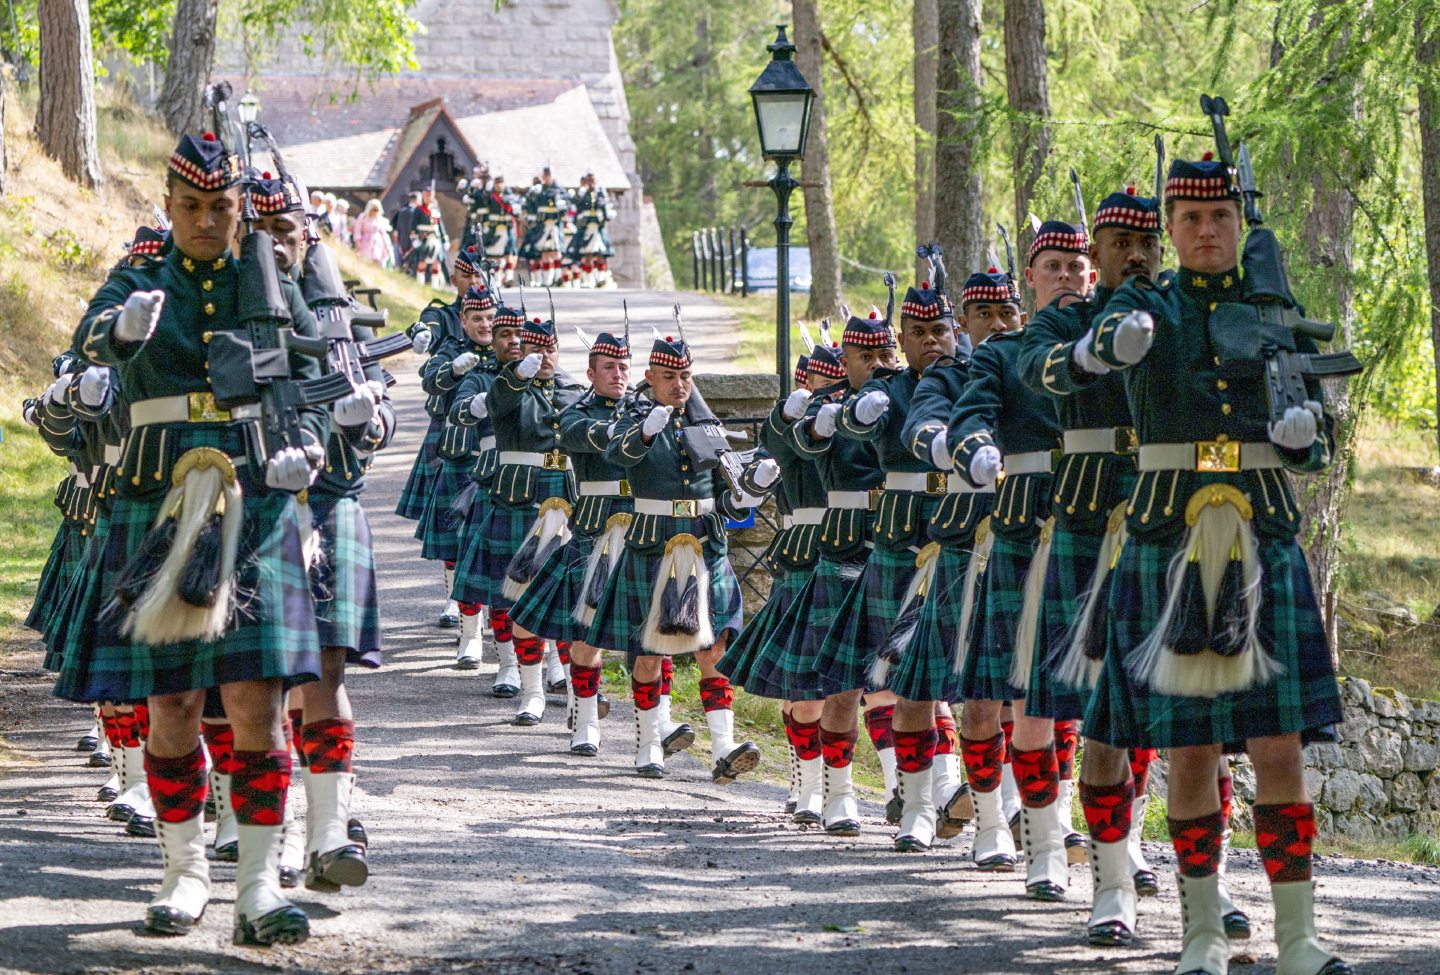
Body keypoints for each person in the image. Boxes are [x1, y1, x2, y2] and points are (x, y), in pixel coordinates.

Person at [59, 129, 345, 945]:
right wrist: (119, 336)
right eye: (190, 207)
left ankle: (258, 885)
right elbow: (85, 345)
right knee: (173, 703)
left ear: (238, 208)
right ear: (169, 205)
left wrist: (311, 444)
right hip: (157, 504)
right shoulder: (139, 275)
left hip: (255, 506)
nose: (205, 222)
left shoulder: (269, 279)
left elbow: (313, 372)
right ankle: (182, 871)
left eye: (220, 208)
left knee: (258, 700)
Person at [1076, 152, 1350, 975]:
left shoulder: (1275, 306)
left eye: (1219, 217)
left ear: (1239, 224)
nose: (1205, 231)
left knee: (1279, 746)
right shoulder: (1144, 305)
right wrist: (1106, 346)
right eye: (1189, 219)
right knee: (1189, 749)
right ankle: (1200, 933)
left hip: (1261, 534)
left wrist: (1305, 436)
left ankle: (1298, 937)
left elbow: (1319, 435)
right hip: (1168, 542)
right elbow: (1083, 354)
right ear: (1170, 229)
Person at [250, 169, 392, 894]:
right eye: (265, 229)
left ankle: (330, 830)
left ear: (308, 231)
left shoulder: (334, 302)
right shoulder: (236, 303)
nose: (278, 241)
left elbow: (382, 404)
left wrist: (369, 415)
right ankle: (266, 836)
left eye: (289, 229)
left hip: (333, 496)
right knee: (263, 682)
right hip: (256, 504)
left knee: (326, 667)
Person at [946, 221, 1081, 896]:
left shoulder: (1121, 340)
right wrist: (976, 449)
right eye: (1053, 264)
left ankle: (1074, 827)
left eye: (1076, 264)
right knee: (1016, 695)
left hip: (1103, 520)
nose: (1067, 274)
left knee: (1089, 696)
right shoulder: (1002, 354)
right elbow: (970, 411)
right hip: (1024, 524)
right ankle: (1010, 826)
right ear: (1031, 277)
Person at [824, 275, 964, 853]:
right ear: (902, 339)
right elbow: (857, 423)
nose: (931, 341)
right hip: (904, 546)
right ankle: (917, 805)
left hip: (964, 542)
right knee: (906, 686)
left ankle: (981, 800)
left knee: (980, 684)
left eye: (940, 330)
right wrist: (860, 409)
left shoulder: (980, 380)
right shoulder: (887, 390)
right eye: (919, 333)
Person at [588, 331, 766, 782]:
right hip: (654, 544)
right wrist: (647, 431)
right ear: (650, 377)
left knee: (715, 649)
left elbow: (725, 494)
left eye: (685, 375)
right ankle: (649, 742)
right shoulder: (634, 415)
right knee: (648, 651)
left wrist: (747, 493)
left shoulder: (704, 423)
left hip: (707, 545)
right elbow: (616, 451)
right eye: (669, 376)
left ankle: (724, 747)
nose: (679, 384)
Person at [507, 326, 640, 756]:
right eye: (609, 368)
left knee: (652, 638)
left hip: (643, 534)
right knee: (584, 636)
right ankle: (584, 721)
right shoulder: (577, 412)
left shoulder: (645, 410)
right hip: (594, 531)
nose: (618, 375)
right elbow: (588, 438)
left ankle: (652, 732)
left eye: (624, 367)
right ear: (590, 372)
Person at [721, 341, 838, 818]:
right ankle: (806, 784)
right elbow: (748, 484)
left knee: (870, 689)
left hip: (858, 553)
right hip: (803, 559)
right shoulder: (783, 426)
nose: (821, 391)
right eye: (812, 381)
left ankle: (871, 789)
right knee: (804, 689)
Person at [461, 310, 586, 724]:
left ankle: (567, 685)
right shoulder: (509, 387)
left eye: (550, 348)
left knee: (564, 599)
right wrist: (518, 375)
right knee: (511, 594)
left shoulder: (574, 390)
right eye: (536, 348)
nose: (545, 355)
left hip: (565, 502)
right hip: (520, 499)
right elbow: (494, 405)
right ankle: (522, 682)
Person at [393, 245, 488, 628]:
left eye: (480, 277)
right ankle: (455, 598)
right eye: (468, 276)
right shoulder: (445, 315)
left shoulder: (499, 323)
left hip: (493, 434)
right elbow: (428, 326)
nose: (475, 283)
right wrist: (420, 334)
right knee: (452, 518)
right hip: (448, 427)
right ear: (456, 278)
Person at [520, 167, 568, 287]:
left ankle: (557, 277)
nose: (547, 178)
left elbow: (569, 203)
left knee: (556, 252)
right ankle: (547, 280)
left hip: (555, 225)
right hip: (542, 226)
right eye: (545, 175)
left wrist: (564, 204)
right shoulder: (539, 190)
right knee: (545, 253)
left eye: (549, 175)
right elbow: (528, 204)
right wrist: (532, 193)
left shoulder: (559, 189)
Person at [565, 171, 614, 288]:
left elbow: (604, 206)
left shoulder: (600, 192)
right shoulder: (583, 194)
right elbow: (576, 205)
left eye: (592, 180)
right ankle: (588, 280)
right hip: (586, 227)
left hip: (598, 227)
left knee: (601, 254)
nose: (591, 183)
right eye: (589, 180)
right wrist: (580, 193)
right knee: (587, 255)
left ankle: (600, 278)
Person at [352, 199, 392, 269]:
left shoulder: (380, 219)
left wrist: (387, 246)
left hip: (378, 244)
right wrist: (358, 243)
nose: (375, 212)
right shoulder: (363, 217)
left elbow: (383, 234)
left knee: (377, 263)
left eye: (377, 210)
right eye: (374, 209)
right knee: (366, 261)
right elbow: (357, 230)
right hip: (366, 243)